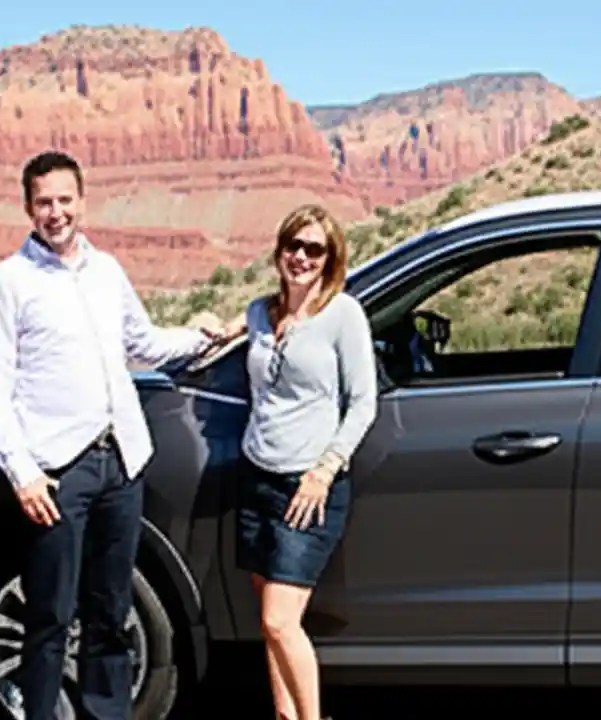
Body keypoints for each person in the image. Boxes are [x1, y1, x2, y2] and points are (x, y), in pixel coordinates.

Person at [0, 149, 216, 719]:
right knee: (50, 613)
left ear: (82, 201)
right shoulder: (7, 284)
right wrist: (23, 473)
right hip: (58, 474)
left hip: (120, 462)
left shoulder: (106, 271)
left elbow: (144, 343)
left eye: (64, 200)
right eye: (43, 203)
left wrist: (201, 335)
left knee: (110, 610)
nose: (56, 213)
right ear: (27, 207)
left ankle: (108, 713)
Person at [235, 204, 378, 720]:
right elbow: (234, 342)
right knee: (270, 621)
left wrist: (324, 470)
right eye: (292, 246)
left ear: (329, 258)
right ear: (279, 251)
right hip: (257, 478)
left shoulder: (342, 315)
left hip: (306, 487)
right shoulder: (259, 313)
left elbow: (364, 401)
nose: (300, 257)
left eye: (313, 249)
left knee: (279, 621)